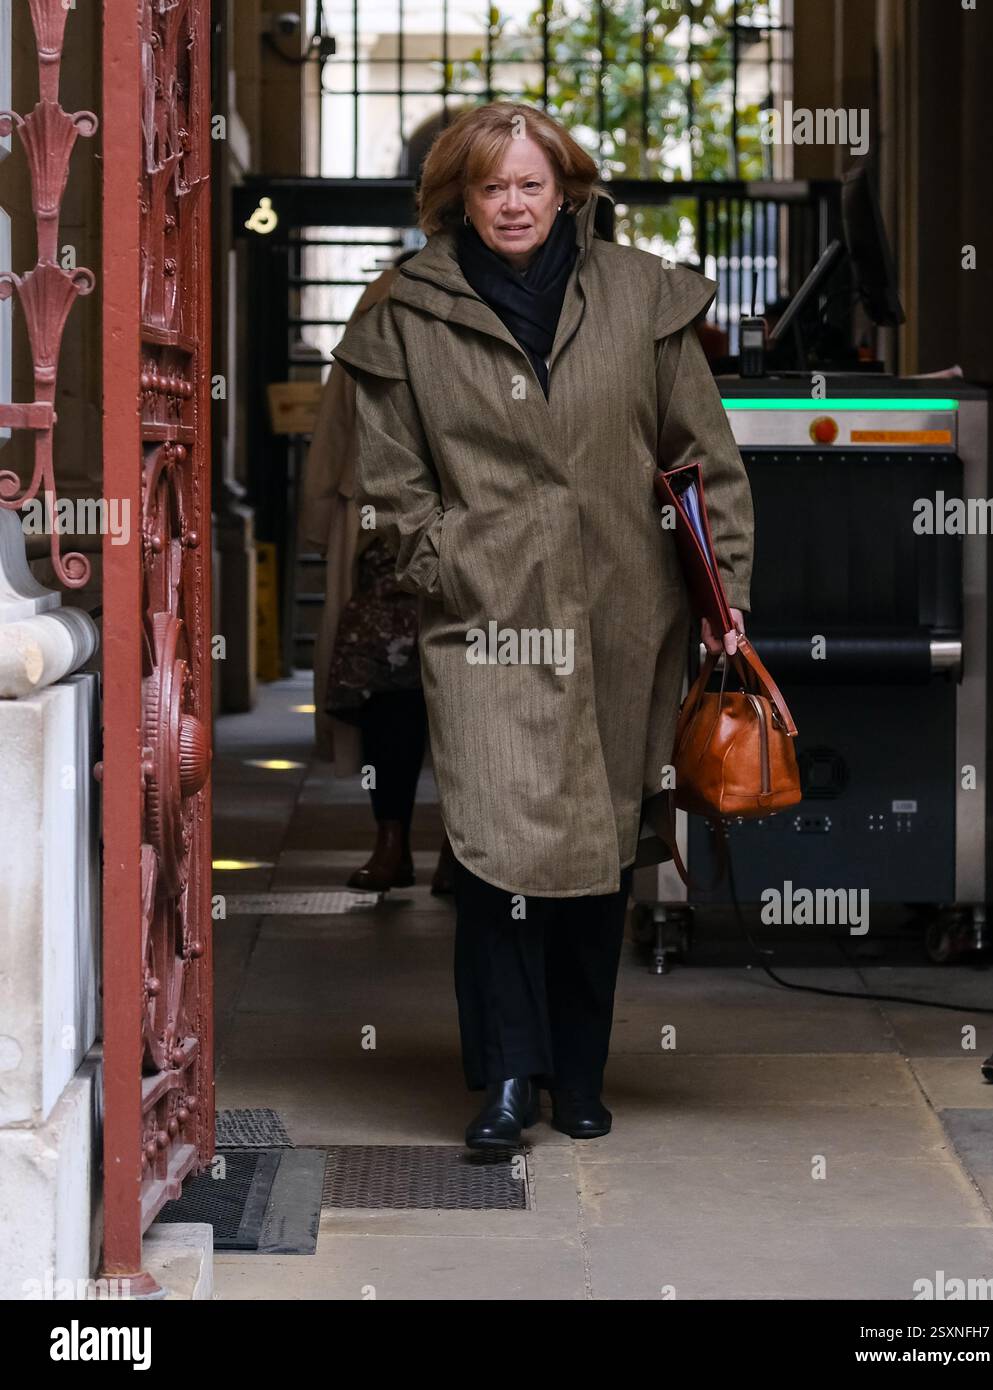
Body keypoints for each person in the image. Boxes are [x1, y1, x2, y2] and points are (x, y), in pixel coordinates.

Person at [331, 102, 754, 1148]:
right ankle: (509, 1077)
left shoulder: (641, 296)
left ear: (565, 189)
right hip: (481, 624)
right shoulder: (405, 311)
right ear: (457, 199)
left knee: (601, 850)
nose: (511, 204)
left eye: (529, 184)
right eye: (489, 187)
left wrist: (721, 589)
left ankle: (580, 1066)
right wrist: (452, 567)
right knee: (491, 854)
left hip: (625, 614)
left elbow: (703, 457)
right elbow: (384, 483)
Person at [301, 258, 455, 895]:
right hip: (384, 539)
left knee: (474, 691)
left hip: (469, 533)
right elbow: (341, 424)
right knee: (390, 693)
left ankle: (460, 847)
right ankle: (395, 840)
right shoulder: (380, 310)